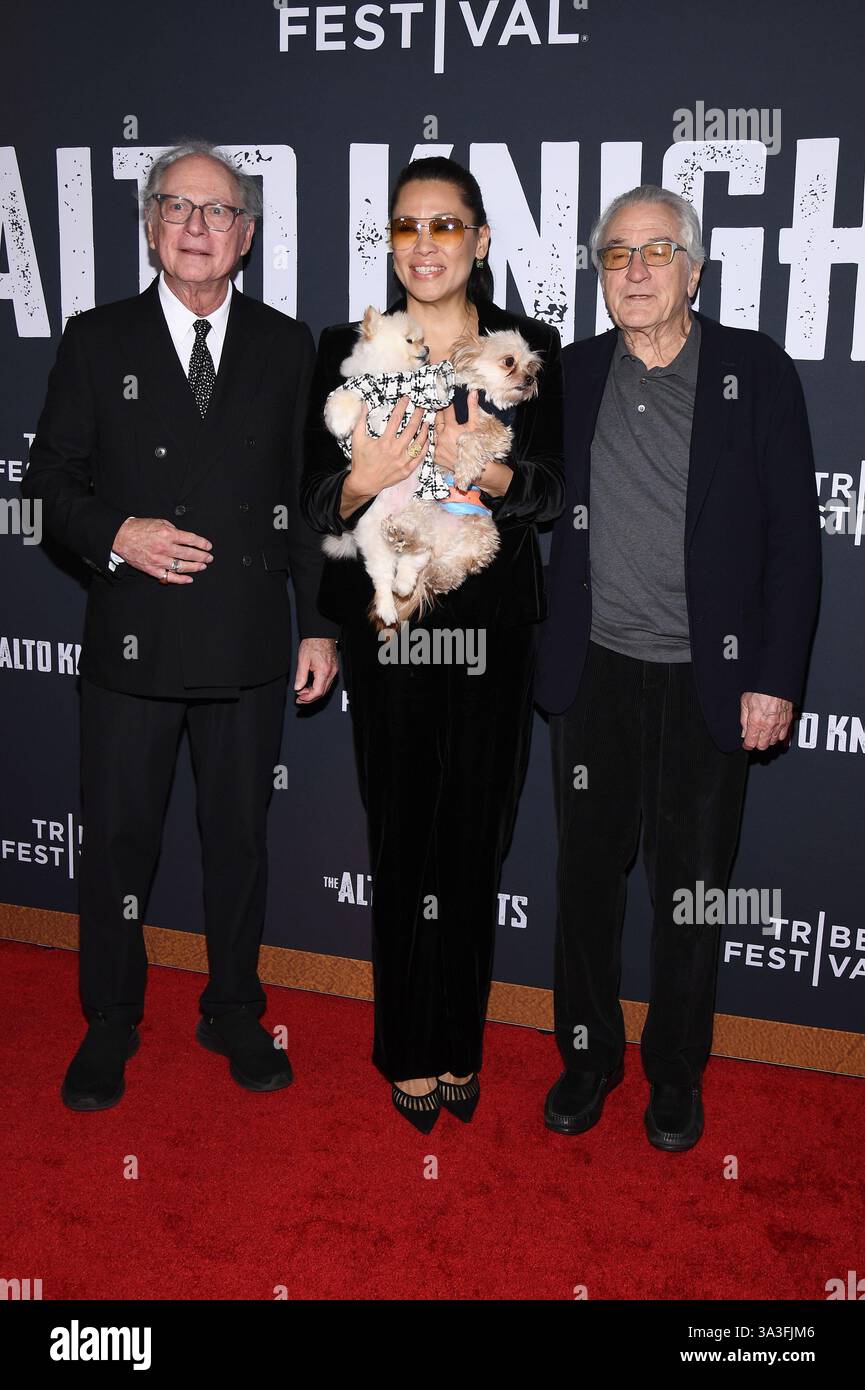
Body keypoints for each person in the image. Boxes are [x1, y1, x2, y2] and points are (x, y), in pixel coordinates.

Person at [22, 139, 339, 1111]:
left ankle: (234, 1007)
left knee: (237, 841)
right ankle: (110, 1019)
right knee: (119, 844)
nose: (197, 226)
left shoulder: (289, 346)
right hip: (131, 645)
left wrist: (320, 627)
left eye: (217, 212)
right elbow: (46, 490)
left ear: (244, 237)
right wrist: (119, 529)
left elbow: (311, 500)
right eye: (178, 206)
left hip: (244, 644)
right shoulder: (96, 337)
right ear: (152, 225)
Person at [536, 184, 821, 1151]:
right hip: (594, 675)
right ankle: (586, 1060)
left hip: (710, 677)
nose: (635, 271)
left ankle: (674, 1074)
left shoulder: (754, 370)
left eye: (657, 253)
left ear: (694, 270)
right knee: (582, 883)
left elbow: (793, 542)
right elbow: (508, 494)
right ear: (598, 273)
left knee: (691, 891)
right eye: (616, 255)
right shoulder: (569, 375)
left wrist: (775, 678)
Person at [302, 156, 564, 1131]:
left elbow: (551, 491)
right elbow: (313, 506)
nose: (423, 245)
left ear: (480, 240)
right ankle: (409, 1048)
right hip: (392, 622)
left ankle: (460, 1040)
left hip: (492, 631)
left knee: (474, 841)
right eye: (407, 227)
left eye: (444, 226)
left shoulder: (529, 346)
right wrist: (365, 477)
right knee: (403, 835)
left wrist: (487, 472)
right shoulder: (348, 344)